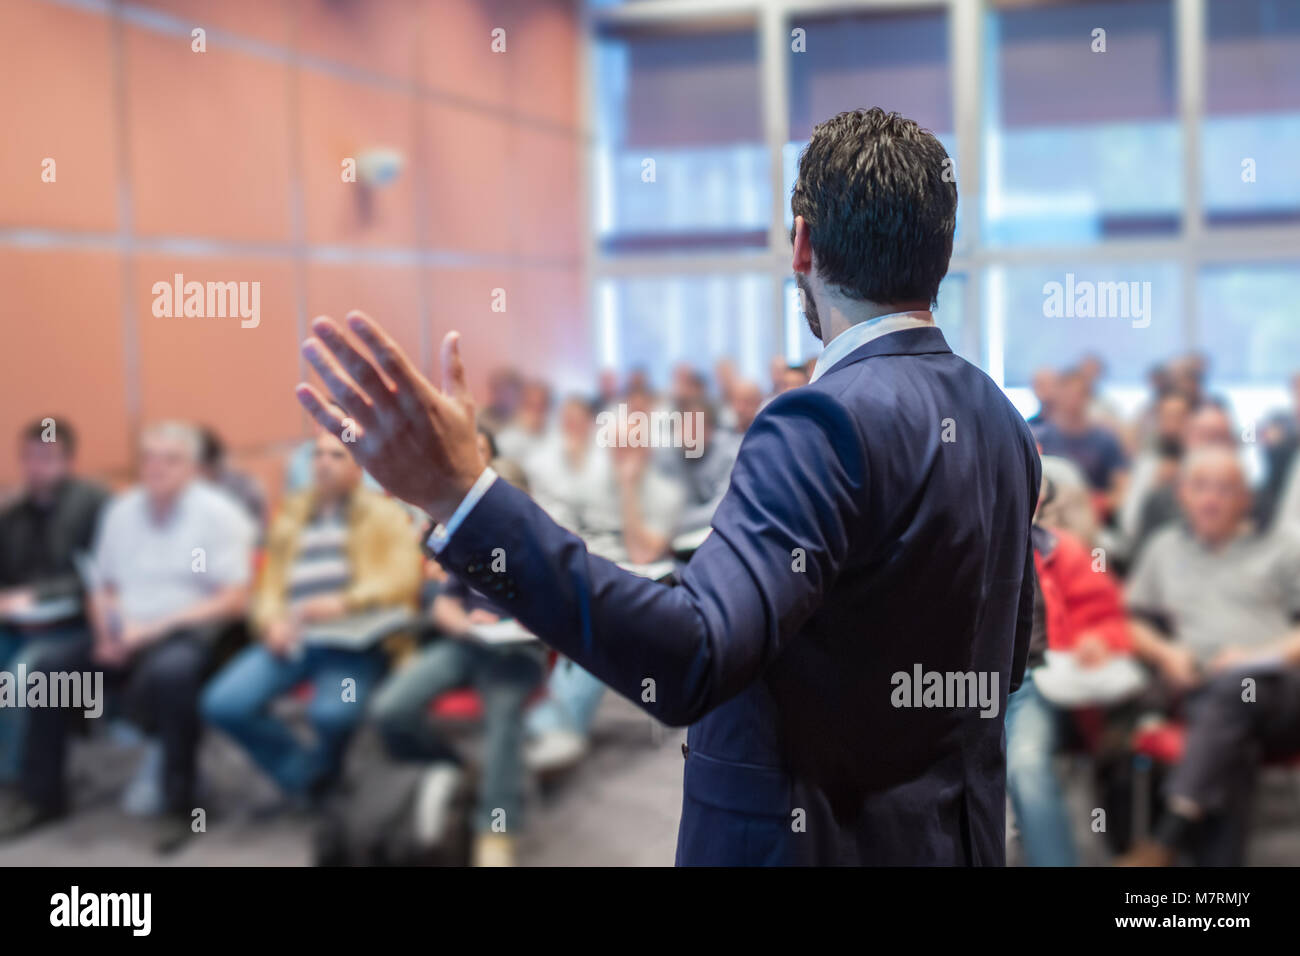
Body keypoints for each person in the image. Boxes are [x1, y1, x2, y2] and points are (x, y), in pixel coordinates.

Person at [295, 108, 1040, 866]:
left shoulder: (821, 421)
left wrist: (464, 498)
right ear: (943, 251)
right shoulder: (1000, 420)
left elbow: (689, 658)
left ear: (803, 243)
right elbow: (1005, 662)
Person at [0, 422, 255, 852]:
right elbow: (101, 585)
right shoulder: (123, 512)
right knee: (49, 670)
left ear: (192, 467)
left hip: (187, 631)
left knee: (172, 675)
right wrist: (106, 633)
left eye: (169, 459)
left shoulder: (219, 515)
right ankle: (42, 795)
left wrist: (152, 629)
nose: (156, 467)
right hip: (125, 629)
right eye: (149, 458)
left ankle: (182, 804)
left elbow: (233, 600)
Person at [202, 431, 421, 805]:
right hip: (294, 637)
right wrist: (269, 621)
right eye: (317, 455)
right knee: (224, 703)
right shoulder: (292, 512)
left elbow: (403, 578)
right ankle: (310, 776)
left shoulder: (386, 513)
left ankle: (323, 780)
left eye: (337, 456)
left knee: (331, 714)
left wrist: (345, 602)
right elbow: (268, 582)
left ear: (358, 468)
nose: (323, 463)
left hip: (356, 640)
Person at [1120, 447, 1300, 865]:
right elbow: (1129, 621)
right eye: (1200, 487)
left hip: (1281, 692)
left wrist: (1252, 657)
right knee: (1232, 741)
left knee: (1237, 689)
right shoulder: (1164, 548)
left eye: (1225, 489)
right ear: (1182, 494)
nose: (1211, 499)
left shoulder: (1282, 544)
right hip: (1204, 694)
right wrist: (1165, 652)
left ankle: (1167, 833)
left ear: (1246, 498)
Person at [0, 421, 108, 787]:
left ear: (69, 461)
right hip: (18, 624)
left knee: (20, 678)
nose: (36, 467)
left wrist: (40, 595)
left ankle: (19, 778)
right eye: (29, 457)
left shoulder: (94, 503)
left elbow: (100, 575)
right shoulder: (14, 513)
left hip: (76, 625)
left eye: (46, 458)